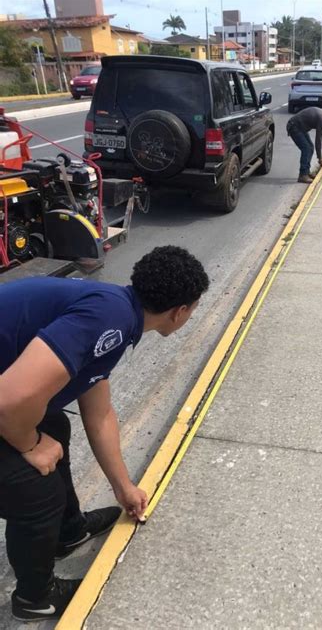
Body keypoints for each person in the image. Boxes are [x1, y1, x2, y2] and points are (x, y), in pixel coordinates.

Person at [0, 246, 209, 622]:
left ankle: (68, 531)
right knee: (35, 487)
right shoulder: (108, 317)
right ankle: (35, 597)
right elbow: (10, 399)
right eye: (193, 309)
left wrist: (123, 487)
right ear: (181, 311)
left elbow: (99, 414)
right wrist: (30, 445)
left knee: (55, 424)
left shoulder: (118, 312)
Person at [287, 107, 322, 183]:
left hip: (300, 128)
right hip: (294, 127)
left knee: (310, 147)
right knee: (306, 149)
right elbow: (318, 140)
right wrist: (320, 158)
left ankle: (306, 172)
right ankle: (302, 175)